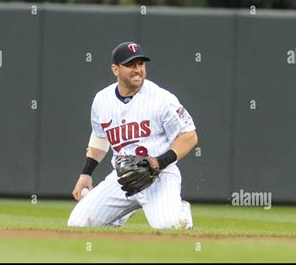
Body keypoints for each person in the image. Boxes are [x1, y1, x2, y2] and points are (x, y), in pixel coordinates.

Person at [67, 41, 198, 229]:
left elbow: (189, 136)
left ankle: (180, 210)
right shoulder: (101, 99)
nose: (137, 69)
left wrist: (160, 162)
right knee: (78, 224)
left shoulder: (162, 99)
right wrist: (86, 174)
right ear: (115, 69)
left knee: (168, 227)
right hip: (123, 178)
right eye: (130, 65)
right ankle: (122, 213)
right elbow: (100, 136)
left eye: (141, 64)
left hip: (160, 177)